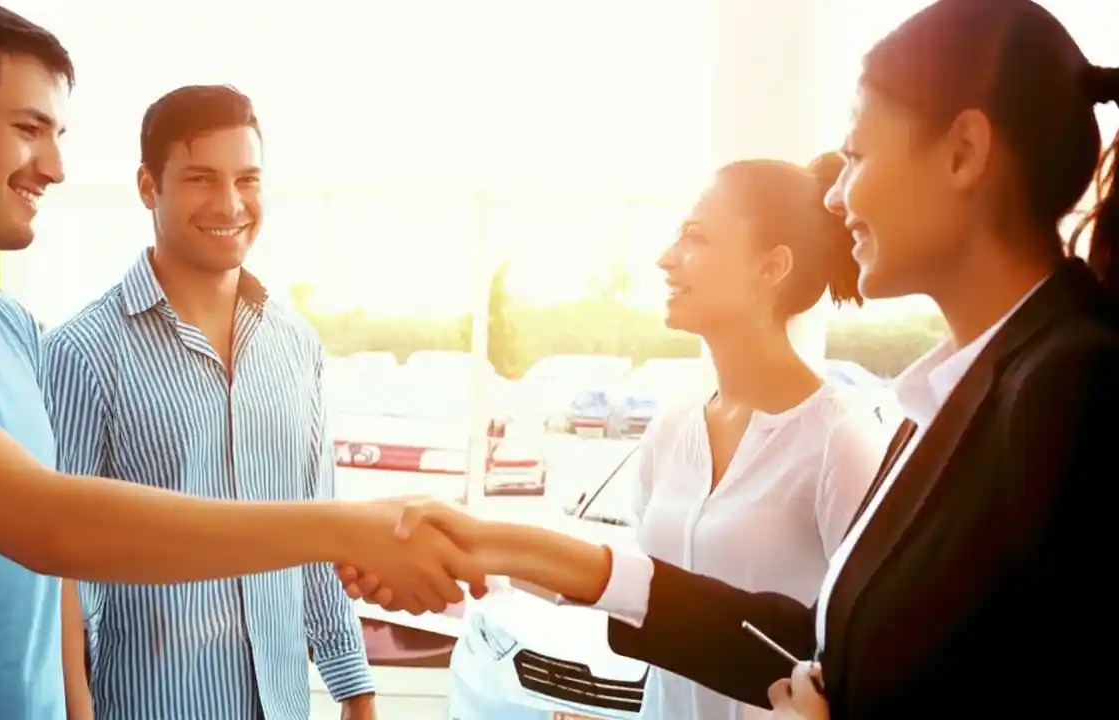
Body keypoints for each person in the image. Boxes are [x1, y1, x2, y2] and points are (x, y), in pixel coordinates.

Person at [343, 1, 1119, 717]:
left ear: (962, 152)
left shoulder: (1071, 390)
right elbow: (814, 644)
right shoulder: (965, 392)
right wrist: (500, 543)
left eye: (856, 157)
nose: (838, 197)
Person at [0, 2, 479, 718]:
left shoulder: (12, 327)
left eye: (58, 135)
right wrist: (351, 528)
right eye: (27, 129)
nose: (54, 167)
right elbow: (50, 527)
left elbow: (46, 585)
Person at [46, 85, 376, 720]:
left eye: (246, 179)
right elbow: (60, 566)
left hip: (282, 705)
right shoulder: (83, 353)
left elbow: (318, 527)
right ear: (149, 187)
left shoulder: (295, 345)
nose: (230, 203)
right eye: (201, 179)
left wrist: (354, 691)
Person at [559, 152, 891, 720]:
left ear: (772, 267)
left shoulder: (842, 439)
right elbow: (661, 620)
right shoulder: (670, 429)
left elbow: (876, 657)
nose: (667, 259)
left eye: (694, 237)